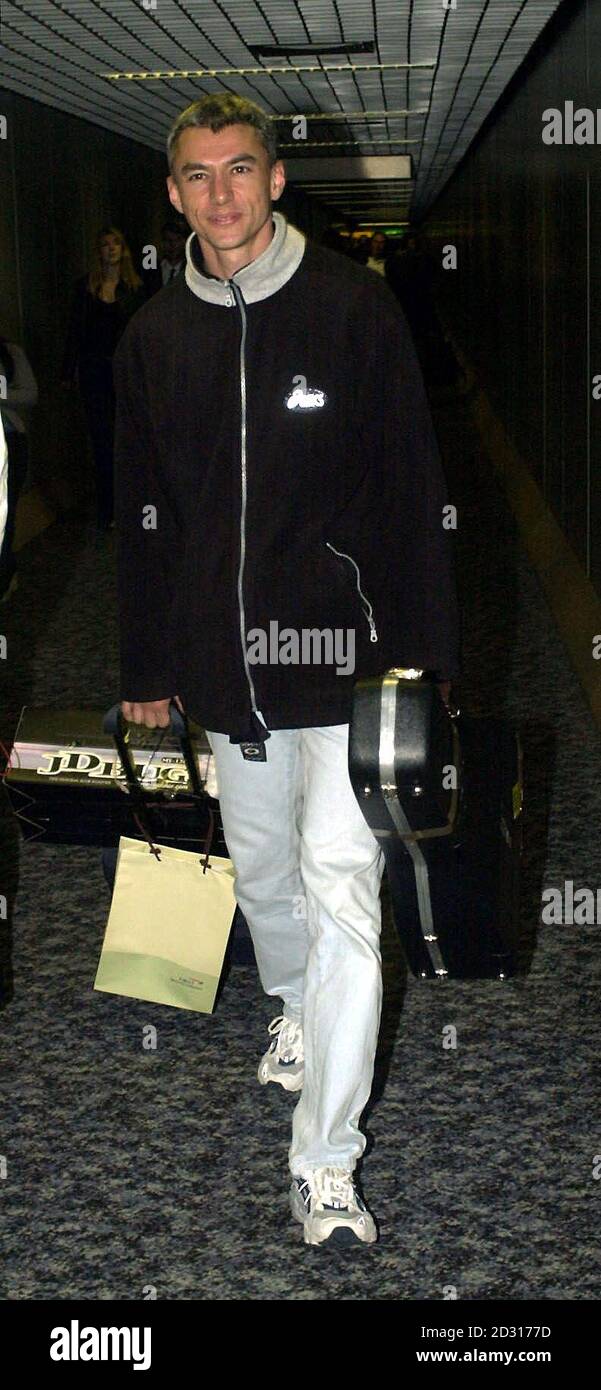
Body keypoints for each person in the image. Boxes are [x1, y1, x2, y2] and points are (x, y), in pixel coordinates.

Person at [114, 93, 459, 1251]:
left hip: (344, 661)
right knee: (264, 881)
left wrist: (427, 665)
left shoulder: (353, 309)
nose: (220, 192)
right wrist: (147, 660)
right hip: (227, 669)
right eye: (197, 174)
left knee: (341, 891)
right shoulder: (154, 339)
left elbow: (413, 493)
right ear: (175, 193)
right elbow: (144, 519)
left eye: (240, 169)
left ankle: (326, 1162)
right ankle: (293, 1008)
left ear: (273, 179)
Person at [61, 227, 145, 533]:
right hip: (95, 372)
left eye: (115, 243)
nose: (110, 249)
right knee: (100, 440)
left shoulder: (134, 287)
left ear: (123, 249)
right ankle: (107, 508)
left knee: (127, 440)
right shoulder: (85, 288)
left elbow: (140, 335)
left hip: (124, 373)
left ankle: (129, 505)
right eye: (105, 244)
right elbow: (75, 330)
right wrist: (68, 370)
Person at [0, 334, 38, 601]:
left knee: (5, 512)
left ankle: (4, 575)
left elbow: (29, 394)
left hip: (9, 438)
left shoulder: (10, 353)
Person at [142, 217, 189, 297]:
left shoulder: (190, 271)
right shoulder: (151, 270)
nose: (173, 245)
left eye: (177, 240)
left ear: (184, 242)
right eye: (168, 240)